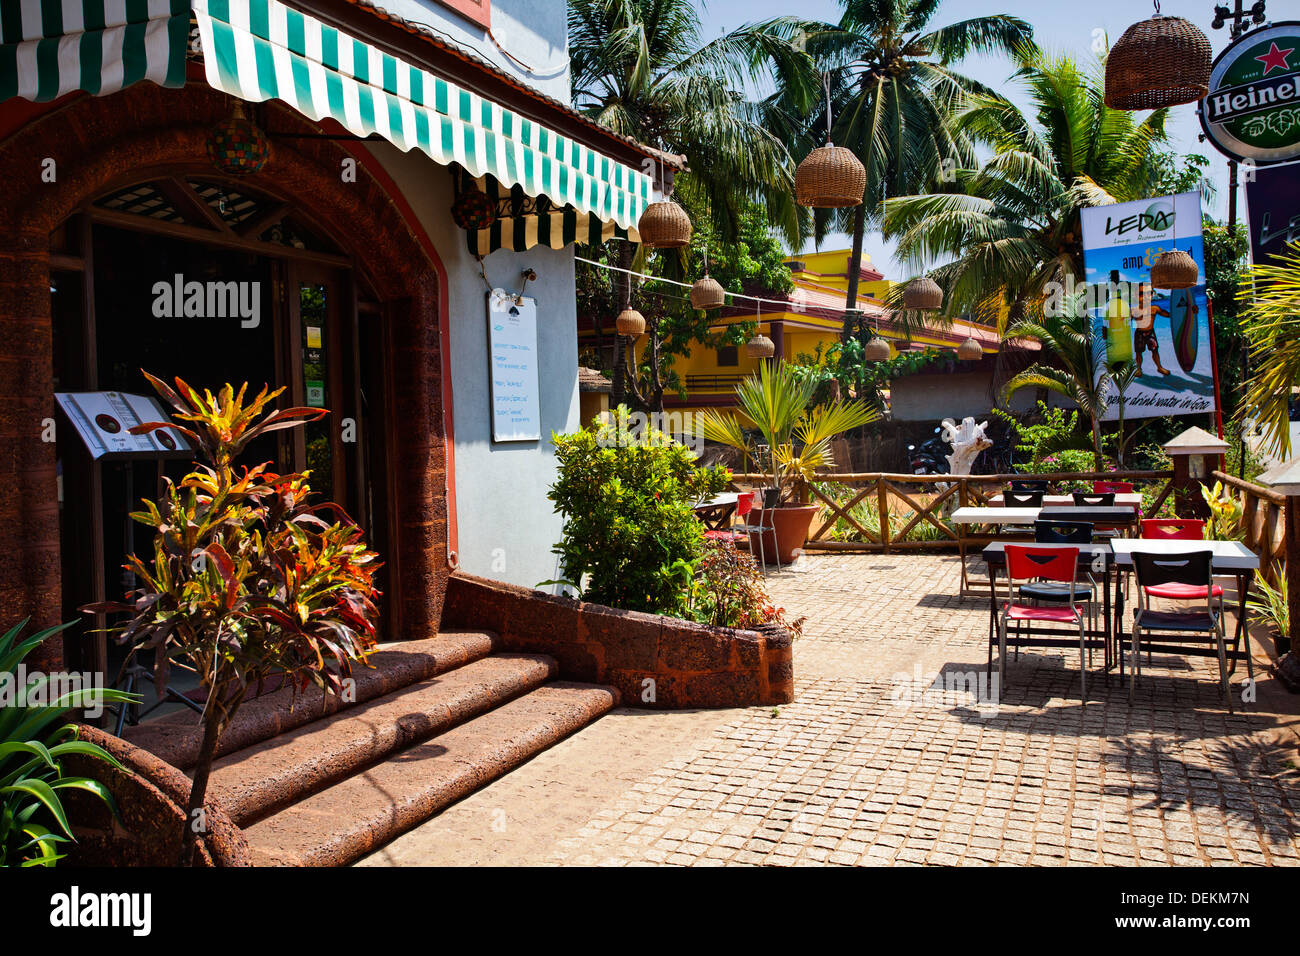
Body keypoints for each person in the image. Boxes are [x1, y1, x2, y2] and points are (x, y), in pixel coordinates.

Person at [1131, 282, 1171, 376]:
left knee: (1155, 351)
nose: (1145, 297)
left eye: (1148, 293)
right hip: (1139, 333)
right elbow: (1124, 321)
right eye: (1141, 294)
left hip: (1150, 333)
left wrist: (1188, 310)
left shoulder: (1155, 308)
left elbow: (1170, 315)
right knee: (1138, 353)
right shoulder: (1133, 310)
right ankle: (1138, 369)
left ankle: (1159, 367)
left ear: (1152, 294)